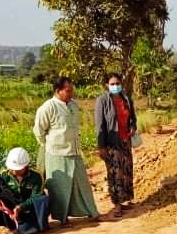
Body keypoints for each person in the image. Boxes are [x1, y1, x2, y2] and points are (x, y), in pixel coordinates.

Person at [34, 76, 100, 225]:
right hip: (56, 154)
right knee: (60, 189)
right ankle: (62, 219)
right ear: (58, 91)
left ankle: (92, 212)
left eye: (72, 90)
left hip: (74, 151)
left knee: (82, 184)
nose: (71, 93)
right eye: (68, 91)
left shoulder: (73, 105)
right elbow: (39, 131)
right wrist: (49, 145)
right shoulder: (47, 107)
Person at [0, 147, 50, 234]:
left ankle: (38, 226)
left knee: (42, 198)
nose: (14, 171)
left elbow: (35, 196)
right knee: (0, 193)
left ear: (26, 166)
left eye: (18, 169)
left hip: (29, 209)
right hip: (11, 212)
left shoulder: (36, 177)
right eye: (12, 168)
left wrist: (21, 207)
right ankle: (9, 227)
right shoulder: (4, 176)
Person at [95, 72, 137, 217]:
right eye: (112, 84)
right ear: (107, 85)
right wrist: (101, 147)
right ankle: (116, 205)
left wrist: (133, 127)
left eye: (117, 83)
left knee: (126, 171)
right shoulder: (102, 101)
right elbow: (99, 125)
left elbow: (132, 118)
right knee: (115, 173)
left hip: (125, 141)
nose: (115, 86)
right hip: (112, 144)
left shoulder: (127, 99)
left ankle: (124, 201)